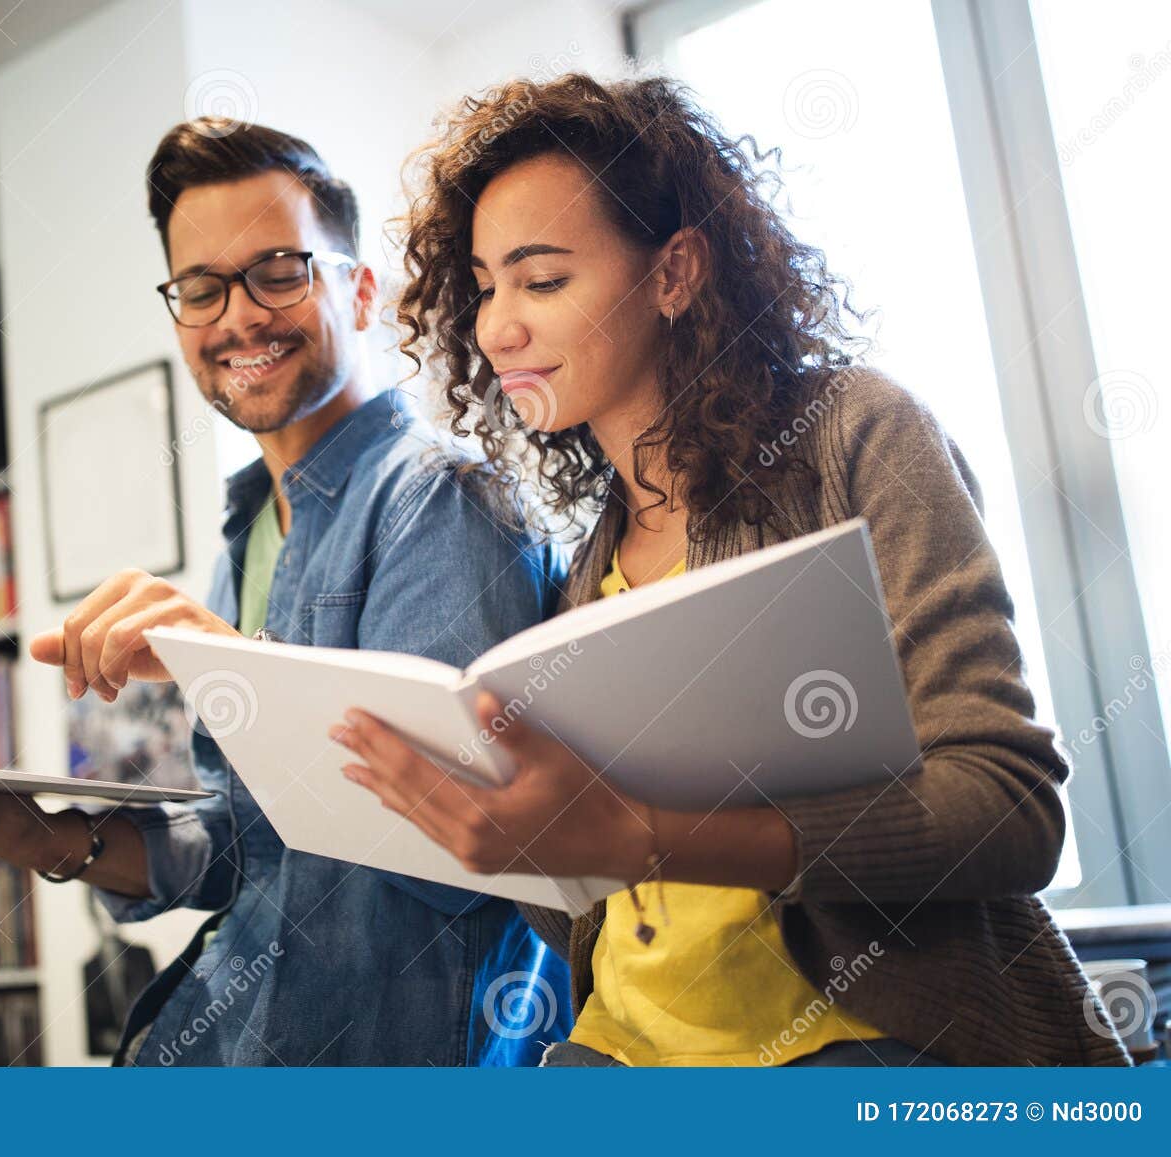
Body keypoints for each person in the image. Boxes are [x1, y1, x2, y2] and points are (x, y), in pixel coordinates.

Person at [330, 72, 1130, 1067]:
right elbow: (613, 916)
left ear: (674, 273)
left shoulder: (852, 435)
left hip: (852, 1050)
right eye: (487, 286)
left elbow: (1008, 809)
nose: (495, 328)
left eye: (540, 281)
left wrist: (647, 835)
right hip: (610, 1056)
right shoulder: (589, 567)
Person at [0, 118, 571, 1066]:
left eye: (279, 270)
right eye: (200, 288)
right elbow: (244, 843)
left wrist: (244, 671)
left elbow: (462, 851)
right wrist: (32, 834)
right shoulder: (249, 531)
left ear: (354, 289)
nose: (238, 316)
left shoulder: (444, 499)